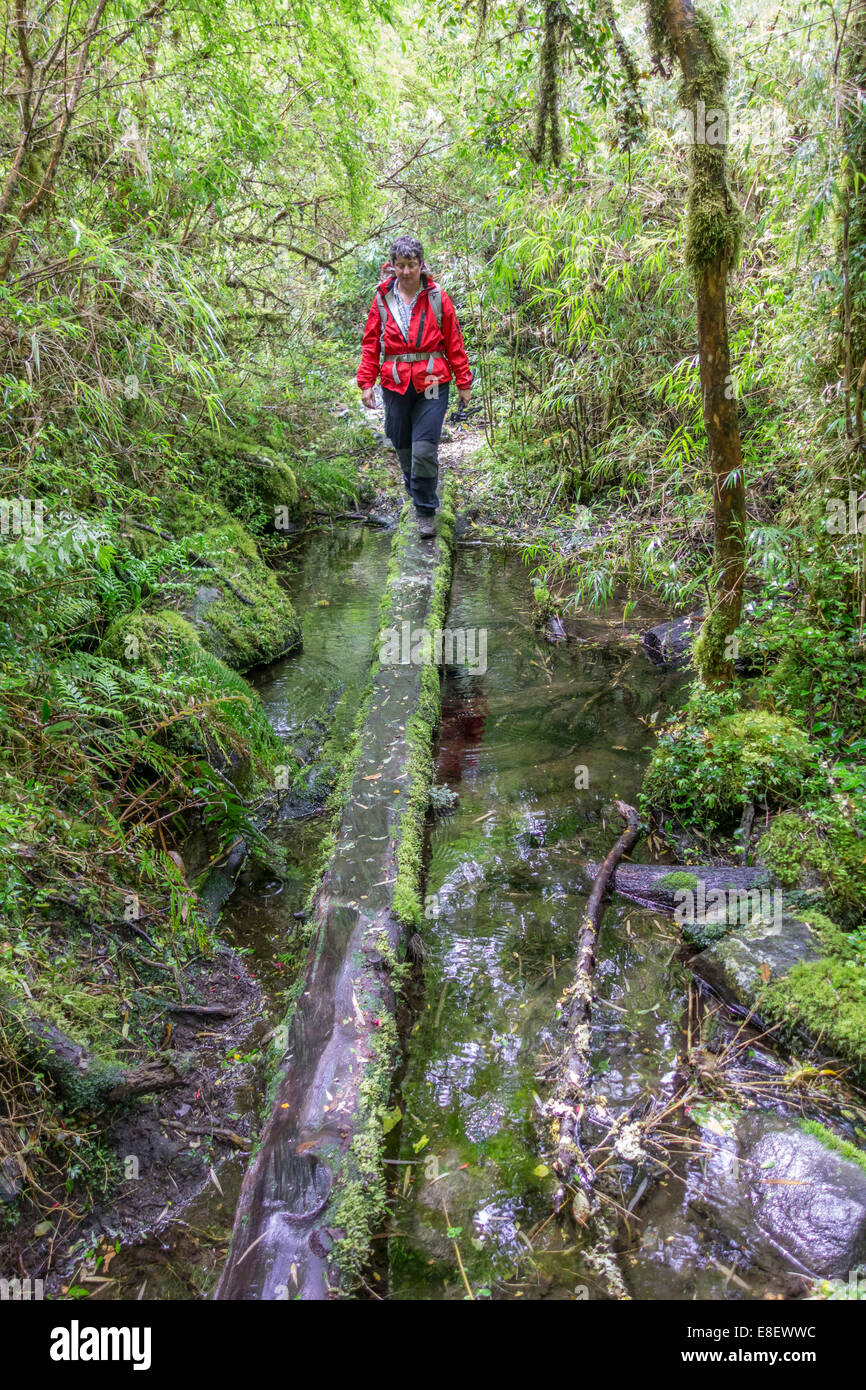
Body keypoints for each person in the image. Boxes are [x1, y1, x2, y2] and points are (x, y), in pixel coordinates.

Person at [357, 235, 473, 537]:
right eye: (401, 265)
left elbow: (454, 341)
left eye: (412, 265)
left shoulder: (437, 297)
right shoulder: (383, 299)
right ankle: (415, 489)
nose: (406, 271)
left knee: (424, 448)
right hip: (395, 382)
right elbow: (371, 343)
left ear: (421, 265)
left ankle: (424, 510)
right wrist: (366, 382)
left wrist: (464, 381)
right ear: (392, 267)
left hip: (432, 381)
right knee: (401, 442)